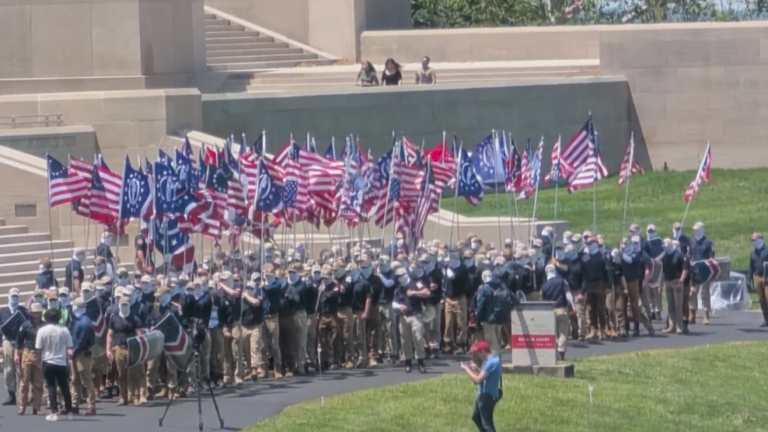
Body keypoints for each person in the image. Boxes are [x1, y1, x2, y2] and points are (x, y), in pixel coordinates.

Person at [35, 307, 73, 422]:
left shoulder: (42, 330)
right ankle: (69, 411)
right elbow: (70, 346)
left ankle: (54, 412)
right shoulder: (64, 329)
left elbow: (38, 348)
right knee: (64, 386)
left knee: (51, 387)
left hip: (48, 361)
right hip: (61, 362)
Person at [106, 295, 144, 406]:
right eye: (122, 305)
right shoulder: (114, 318)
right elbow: (109, 335)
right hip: (119, 348)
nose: (124, 307)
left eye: (126, 305)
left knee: (134, 373)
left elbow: (139, 335)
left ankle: (135, 397)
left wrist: (140, 350)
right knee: (121, 374)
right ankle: (123, 397)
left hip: (132, 348)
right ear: (119, 305)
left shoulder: (135, 319)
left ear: (129, 305)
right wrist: (108, 350)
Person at [393, 266, 429, 373]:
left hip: (415, 315)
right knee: (405, 340)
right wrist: (400, 307)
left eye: (401, 276)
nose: (400, 278)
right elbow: (394, 303)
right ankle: (408, 362)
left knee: (418, 338)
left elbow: (427, 292)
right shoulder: (398, 289)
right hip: (404, 316)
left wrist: (414, 293)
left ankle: (420, 362)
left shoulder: (416, 284)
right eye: (398, 277)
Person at [461, 340, 502, 432]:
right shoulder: (491, 360)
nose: (478, 355)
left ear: (483, 351)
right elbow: (485, 376)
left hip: (487, 396)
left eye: (478, 353)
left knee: (487, 424)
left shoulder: (491, 362)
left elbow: (478, 380)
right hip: (485, 394)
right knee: (476, 417)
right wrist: (476, 369)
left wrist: (466, 369)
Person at [1, 287, 29, 406]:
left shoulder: (23, 310)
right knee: (8, 368)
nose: (14, 299)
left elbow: (27, 326)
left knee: (21, 368)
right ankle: (11, 394)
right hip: (7, 341)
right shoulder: (3, 312)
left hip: (20, 341)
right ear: (8, 297)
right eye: (12, 296)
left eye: (16, 296)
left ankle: (22, 395)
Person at [16, 303, 45, 415]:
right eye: (35, 313)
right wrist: (18, 353)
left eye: (38, 312)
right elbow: (19, 340)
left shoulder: (44, 325)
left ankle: (36, 407)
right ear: (31, 313)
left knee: (38, 382)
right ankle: (22, 406)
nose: (37, 314)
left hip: (40, 354)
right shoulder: (25, 325)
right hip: (27, 353)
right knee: (24, 381)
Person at [70, 297, 97, 415]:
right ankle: (74, 403)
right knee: (74, 379)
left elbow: (82, 340)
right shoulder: (76, 319)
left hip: (82, 354)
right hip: (74, 353)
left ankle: (91, 405)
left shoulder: (85, 322)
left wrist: (73, 351)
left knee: (86, 380)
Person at [540, 264, 571, 360]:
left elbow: (541, 299)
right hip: (561, 308)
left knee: (552, 332)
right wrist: (572, 305)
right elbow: (568, 294)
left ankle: (554, 349)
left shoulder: (544, 285)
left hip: (550, 310)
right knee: (563, 331)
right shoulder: (562, 281)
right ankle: (561, 351)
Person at [689, 221, 715, 324]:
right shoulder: (691, 242)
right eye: (694, 230)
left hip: (705, 271)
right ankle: (692, 314)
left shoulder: (708, 242)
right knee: (692, 293)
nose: (695, 232)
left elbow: (711, 257)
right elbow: (689, 255)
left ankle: (706, 316)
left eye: (697, 230)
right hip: (694, 271)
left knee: (705, 294)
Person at [661, 239, 688, 334]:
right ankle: (671, 326)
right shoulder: (665, 256)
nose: (665, 248)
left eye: (666, 246)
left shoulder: (679, 255)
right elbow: (663, 270)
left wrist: (681, 280)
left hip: (677, 281)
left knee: (678, 305)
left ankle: (679, 326)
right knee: (670, 306)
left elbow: (685, 269)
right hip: (668, 282)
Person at [747, 232, 768, 327]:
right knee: (761, 299)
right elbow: (751, 267)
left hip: (766, 277)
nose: (753, 242)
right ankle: (766, 319)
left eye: (755, 240)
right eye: (752, 240)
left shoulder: (767, 250)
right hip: (757, 277)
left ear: (760, 239)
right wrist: (749, 279)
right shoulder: (753, 253)